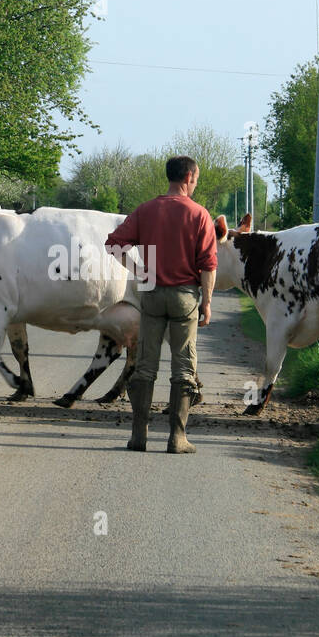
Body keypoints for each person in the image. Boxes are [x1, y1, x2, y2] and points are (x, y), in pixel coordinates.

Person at [105, 156, 217, 454]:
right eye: (196, 178)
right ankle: (177, 438)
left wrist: (139, 271)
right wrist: (206, 302)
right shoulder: (199, 215)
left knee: (145, 366)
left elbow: (113, 244)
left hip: (151, 293)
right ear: (189, 177)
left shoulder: (146, 210)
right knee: (183, 367)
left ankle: (138, 437)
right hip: (184, 297)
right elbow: (208, 265)